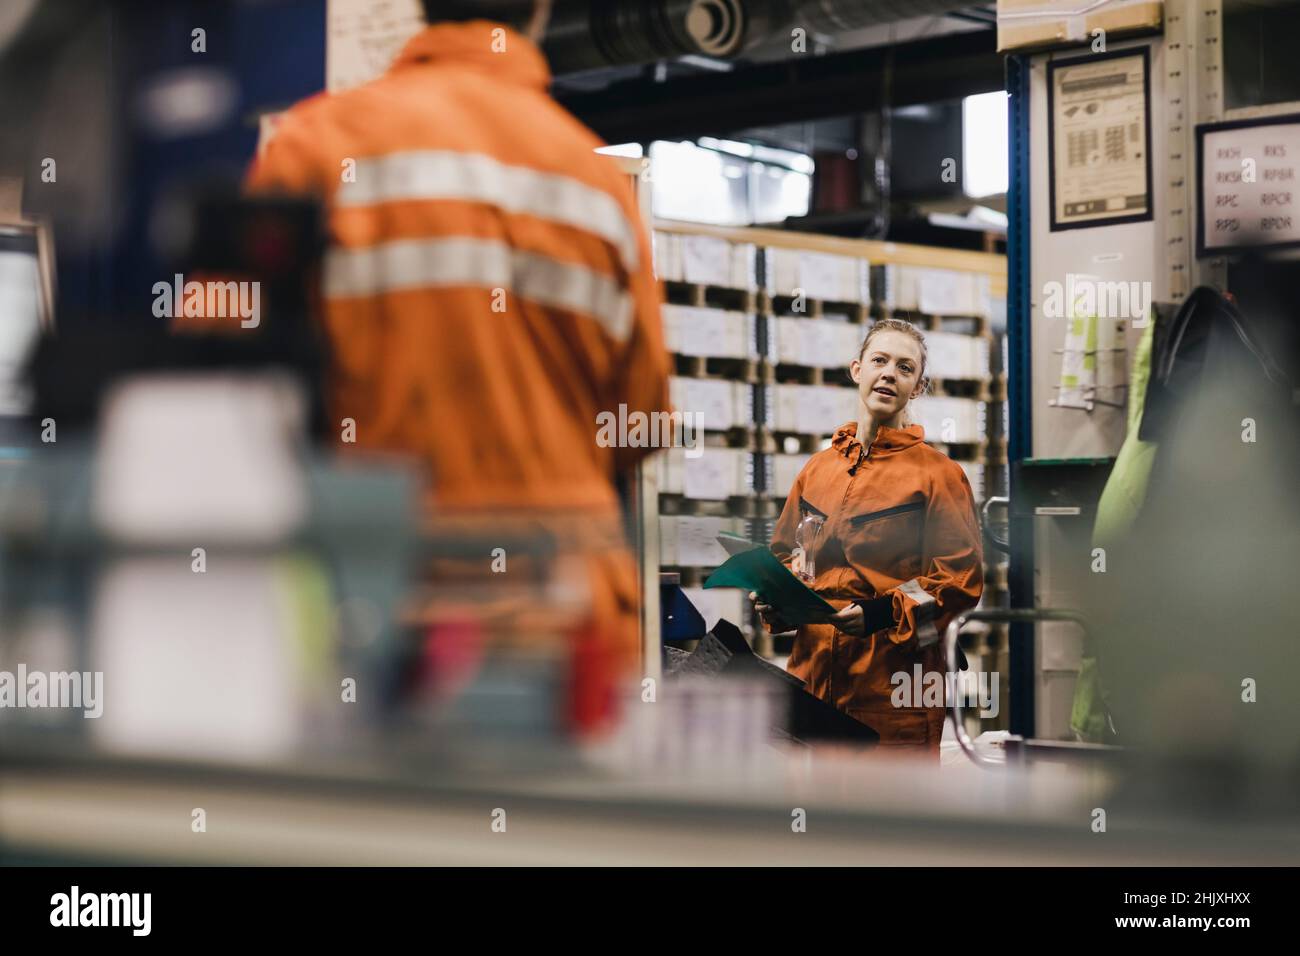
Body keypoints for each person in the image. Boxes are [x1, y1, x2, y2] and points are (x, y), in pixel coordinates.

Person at [243, 0, 672, 681]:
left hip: (375, 610)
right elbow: (642, 421)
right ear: (541, 8)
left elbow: (216, 385)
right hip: (566, 627)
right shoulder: (597, 186)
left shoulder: (317, 145)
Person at [754, 318, 983, 755]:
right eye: (880, 360)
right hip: (813, 679)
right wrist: (777, 598)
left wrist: (880, 613)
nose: (889, 374)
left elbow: (958, 582)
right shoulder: (818, 470)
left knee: (886, 817)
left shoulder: (938, 476)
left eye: (904, 367)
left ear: (917, 387)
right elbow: (791, 555)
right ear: (857, 369)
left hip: (891, 690)